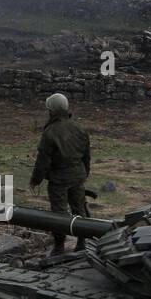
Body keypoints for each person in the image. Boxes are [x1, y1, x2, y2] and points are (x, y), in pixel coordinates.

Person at [29, 93, 91, 255]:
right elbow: (86, 156)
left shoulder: (50, 132)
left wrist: (35, 180)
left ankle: (59, 246)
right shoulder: (80, 128)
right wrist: (84, 173)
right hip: (78, 176)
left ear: (52, 111)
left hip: (59, 179)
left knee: (59, 213)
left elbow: (43, 161)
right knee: (79, 209)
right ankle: (82, 243)